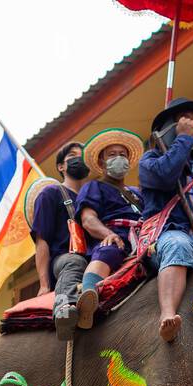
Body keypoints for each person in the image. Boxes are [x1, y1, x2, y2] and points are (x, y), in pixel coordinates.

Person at [138, 96, 193, 342]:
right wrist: (183, 139)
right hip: (169, 234)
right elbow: (164, 176)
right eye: (186, 121)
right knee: (178, 245)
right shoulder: (149, 161)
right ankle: (167, 314)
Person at [73, 128, 146, 329]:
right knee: (108, 250)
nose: (118, 159)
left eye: (122, 155)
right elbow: (88, 219)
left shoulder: (137, 193)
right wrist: (109, 234)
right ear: (101, 163)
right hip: (116, 233)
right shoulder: (93, 187)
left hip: (145, 236)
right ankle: (88, 297)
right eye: (112, 155)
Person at [30, 140, 90, 335]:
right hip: (64, 259)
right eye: (72, 156)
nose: (78, 159)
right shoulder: (51, 193)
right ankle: (64, 309)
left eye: (82, 156)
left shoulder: (93, 195)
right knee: (74, 261)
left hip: (94, 258)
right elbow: (42, 241)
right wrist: (44, 284)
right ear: (61, 166)